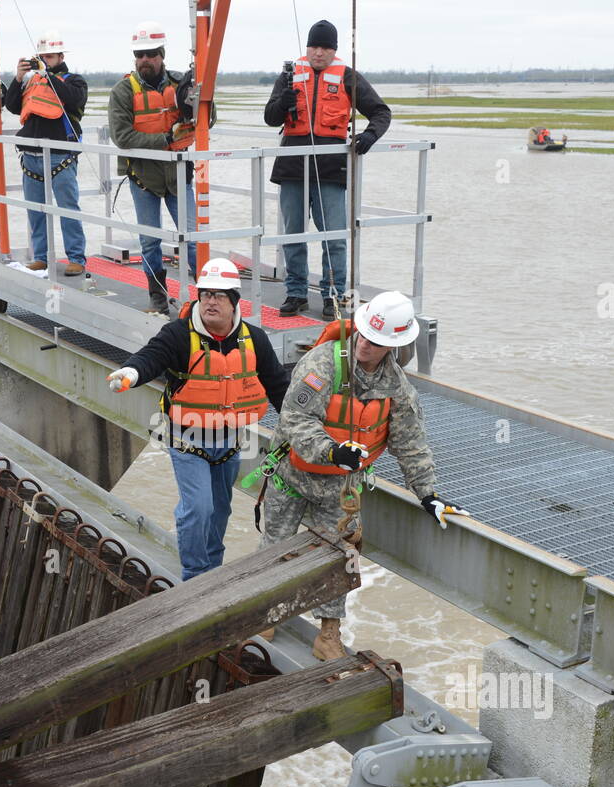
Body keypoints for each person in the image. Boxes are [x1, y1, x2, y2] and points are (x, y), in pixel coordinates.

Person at [255, 291, 468, 660]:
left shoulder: (396, 388)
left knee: (340, 557)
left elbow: (410, 441)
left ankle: (328, 635)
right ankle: (265, 615)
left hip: (340, 488)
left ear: (393, 346)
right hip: (291, 475)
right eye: (365, 335)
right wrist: (332, 450)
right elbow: (295, 420)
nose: (366, 346)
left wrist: (427, 493)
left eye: (377, 342)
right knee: (275, 547)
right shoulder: (320, 364)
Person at [107, 258, 290, 580]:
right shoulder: (178, 334)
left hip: (231, 444)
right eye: (205, 294)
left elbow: (278, 387)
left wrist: (303, 427)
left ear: (234, 301)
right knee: (198, 508)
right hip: (187, 442)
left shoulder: (255, 339)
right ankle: (194, 576)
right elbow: (151, 356)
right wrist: (130, 373)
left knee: (220, 511)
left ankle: (212, 571)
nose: (210, 301)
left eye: (219, 295)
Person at [263, 20, 392, 320]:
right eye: (314, 47)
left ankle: (332, 295)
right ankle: (295, 293)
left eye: (325, 48)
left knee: (333, 236)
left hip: (331, 167)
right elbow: (270, 118)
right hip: (293, 165)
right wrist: (282, 103)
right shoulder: (288, 76)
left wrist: (370, 135)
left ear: (334, 51)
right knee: (291, 234)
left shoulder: (348, 77)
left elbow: (381, 112)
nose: (319, 53)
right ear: (307, 48)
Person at [108, 20, 213, 314]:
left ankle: (207, 296)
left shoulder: (182, 85)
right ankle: (157, 294)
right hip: (143, 177)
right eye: (140, 55)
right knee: (150, 241)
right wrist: (167, 138)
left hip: (179, 176)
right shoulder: (122, 91)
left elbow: (209, 120)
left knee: (193, 239)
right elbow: (122, 136)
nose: (145, 60)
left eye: (151, 54)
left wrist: (201, 100)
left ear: (162, 54)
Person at [0, 29, 88, 276]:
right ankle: (41, 257)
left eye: (50, 57)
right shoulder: (31, 81)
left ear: (60, 56)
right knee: (35, 210)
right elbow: (12, 106)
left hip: (60, 155)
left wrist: (47, 75)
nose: (46, 60)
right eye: (42, 57)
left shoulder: (74, 80)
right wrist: (18, 77)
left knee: (67, 208)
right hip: (31, 155)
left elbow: (72, 99)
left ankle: (76, 258)